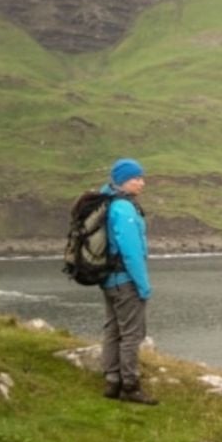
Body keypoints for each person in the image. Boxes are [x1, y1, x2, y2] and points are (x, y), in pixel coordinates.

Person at [100, 158, 158, 405]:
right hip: (125, 281)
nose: (141, 183)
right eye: (136, 178)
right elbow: (132, 252)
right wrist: (143, 286)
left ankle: (112, 381)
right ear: (123, 181)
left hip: (108, 280)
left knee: (113, 328)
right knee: (132, 334)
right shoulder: (123, 209)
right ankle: (130, 386)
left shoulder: (106, 201)